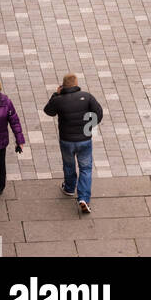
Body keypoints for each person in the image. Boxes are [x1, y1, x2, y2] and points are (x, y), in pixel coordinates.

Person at [43, 74, 104, 214]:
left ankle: (69, 188)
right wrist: (88, 127)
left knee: (69, 165)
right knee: (86, 168)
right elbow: (99, 113)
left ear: (63, 86)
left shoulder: (58, 100)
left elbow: (48, 111)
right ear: (76, 83)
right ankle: (83, 198)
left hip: (66, 141)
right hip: (84, 140)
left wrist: (55, 94)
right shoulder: (87, 96)